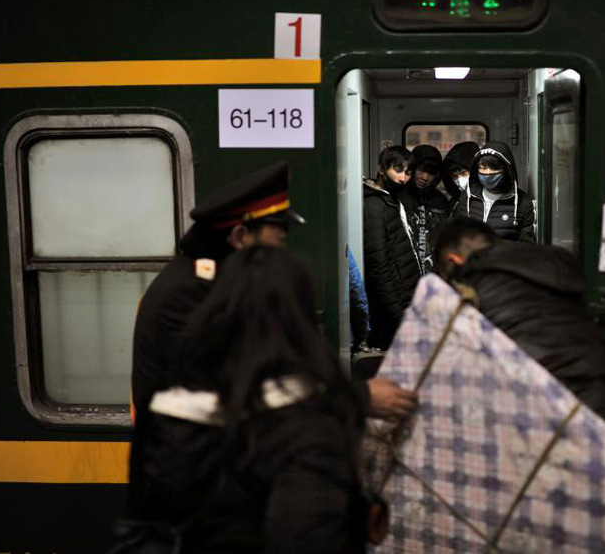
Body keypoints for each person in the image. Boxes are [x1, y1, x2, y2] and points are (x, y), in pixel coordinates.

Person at [132, 161, 415, 429]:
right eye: (277, 241)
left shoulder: (217, 282)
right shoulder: (190, 293)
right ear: (241, 237)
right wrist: (360, 399)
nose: (281, 252)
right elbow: (240, 394)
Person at [128, 245, 368, 553]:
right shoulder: (312, 429)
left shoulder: (163, 413)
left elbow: (142, 525)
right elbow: (307, 536)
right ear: (300, 317)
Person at [433, 217, 605, 429]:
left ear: (454, 261)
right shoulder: (551, 266)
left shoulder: (473, 287)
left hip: (542, 415)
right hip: (601, 408)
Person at [362, 146, 422, 350]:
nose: (403, 178)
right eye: (397, 170)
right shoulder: (374, 207)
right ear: (381, 168)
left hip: (405, 300)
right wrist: (397, 314)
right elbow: (378, 264)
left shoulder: (391, 199)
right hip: (392, 310)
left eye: (408, 172)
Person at [453, 140, 536, 243]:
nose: (488, 173)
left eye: (494, 168)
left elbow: (527, 246)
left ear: (506, 170)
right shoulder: (467, 197)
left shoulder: (524, 203)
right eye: (483, 168)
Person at [399, 144, 449, 272]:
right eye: (421, 170)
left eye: (431, 173)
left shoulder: (440, 201)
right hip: (405, 268)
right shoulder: (399, 197)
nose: (425, 178)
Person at [441, 141, 478, 216]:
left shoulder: (486, 202)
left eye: (463, 173)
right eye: (454, 176)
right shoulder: (454, 203)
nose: (459, 180)